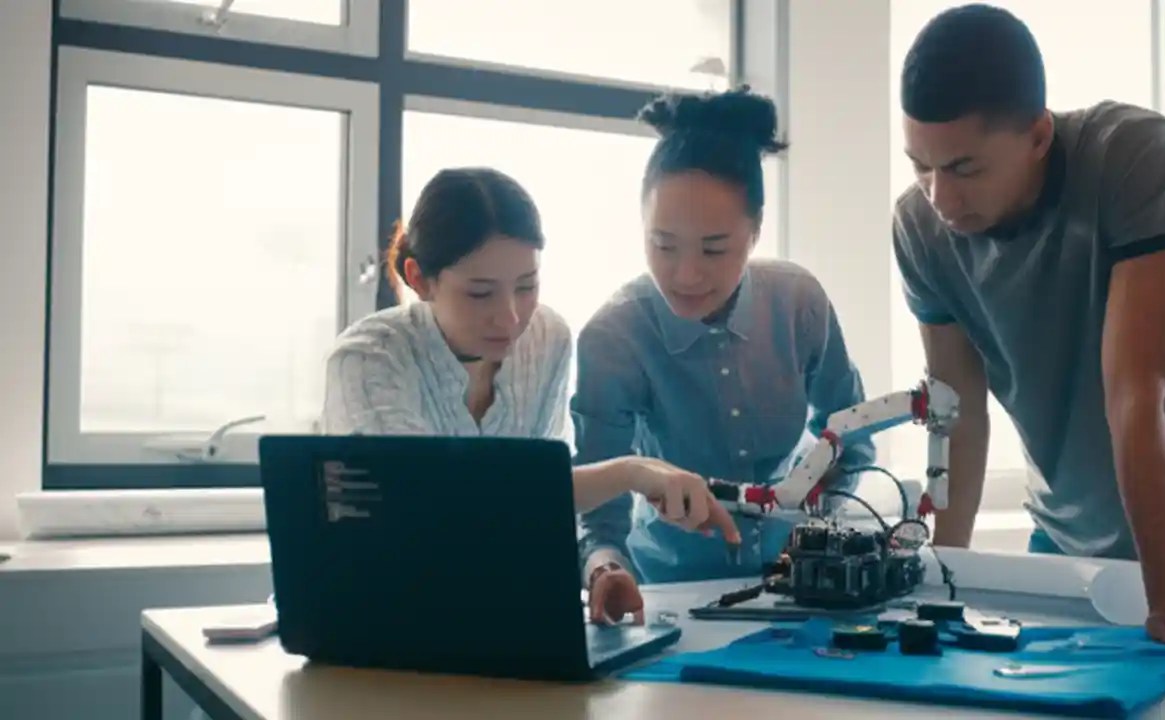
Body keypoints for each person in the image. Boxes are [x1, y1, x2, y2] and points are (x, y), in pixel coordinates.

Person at [892, 4, 1165, 645]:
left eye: (963, 169)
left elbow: (1138, 395)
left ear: (1039, 137)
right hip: (1069, 548)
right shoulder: (918, 229)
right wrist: (943, 585)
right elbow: (958, 416)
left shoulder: (1133, 156)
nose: (940, 198)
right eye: (919, 166)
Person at [573, 87, 876, 624]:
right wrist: (604, 570)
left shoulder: (798, 303)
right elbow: (600, 514)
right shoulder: (614, 337)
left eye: (714, 248)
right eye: (662, 245)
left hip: (798, 592)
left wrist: (817, 513)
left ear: (755, 232)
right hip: (668, 598)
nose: (687, 275)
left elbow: (851, 435)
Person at [321, 167, 740, 546]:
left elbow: (532, 501)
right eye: (480, 292)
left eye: (526, 286)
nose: (510, 317)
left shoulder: (546, 338)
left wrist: (597, 571)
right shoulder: (368, 360)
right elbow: (434, 505)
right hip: (379, 605)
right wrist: (628, 472)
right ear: (419, 279)